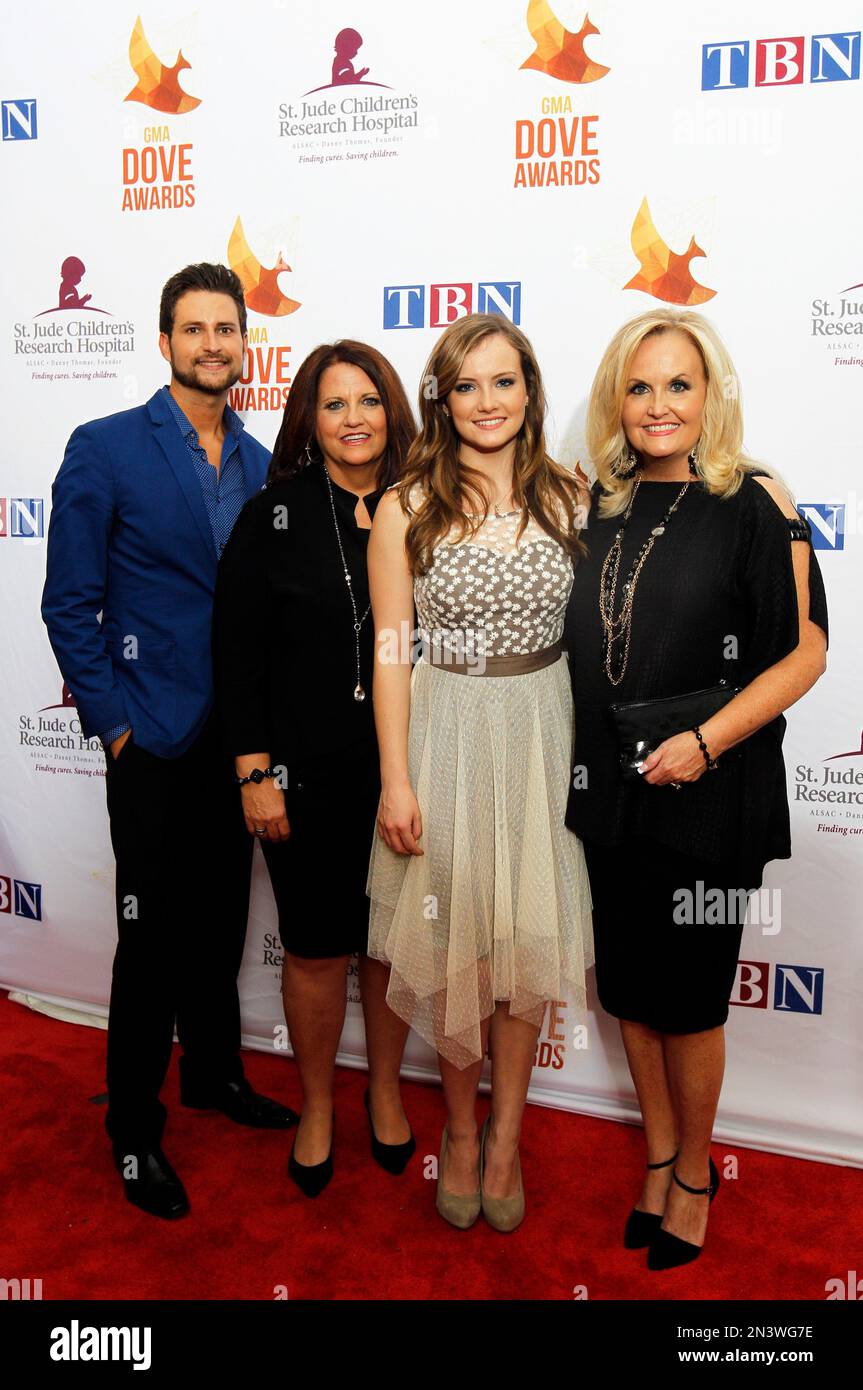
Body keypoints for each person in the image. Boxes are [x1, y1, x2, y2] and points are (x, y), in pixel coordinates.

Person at [564, 308, 828, 1269]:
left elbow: (804, 653)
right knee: (629, 994)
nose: (658, 404)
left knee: (691, 1001)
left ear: (710, 393)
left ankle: (695, 1173)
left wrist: (704, 743)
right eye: (639, 386)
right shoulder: (599, 500)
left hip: (706, 794)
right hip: (611, 787)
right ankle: (658, 1152)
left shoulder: (754, 502)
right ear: (615, 401)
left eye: (679, 384)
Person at [41, 263, 298, 1222]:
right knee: (149, 943)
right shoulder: (105, 447)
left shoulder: (262, 458)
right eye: (194, 330)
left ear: (244, 343)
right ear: (164, 342)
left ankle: (215, 1078)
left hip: (236, 743)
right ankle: (134, 1133)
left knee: (223, 923)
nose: (212, 346)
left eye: (227, 330)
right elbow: (68, 604)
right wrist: (114, 727)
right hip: (150, 739)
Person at [365, 313, 594, 1232]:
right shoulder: (406, 507)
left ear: (530, 390)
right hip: (446, 733)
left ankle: (507, 1138)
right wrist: (395, 778)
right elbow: (389, 649)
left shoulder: (572, 498)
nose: (486, 402)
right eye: (466, 385)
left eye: (504, 382)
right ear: (442, 398)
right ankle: (458, 1133)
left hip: (543, 731)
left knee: (521, 954)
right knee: (460, 950)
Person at [213, 341, 417, 1197]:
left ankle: (382, 1090)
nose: (354, 419)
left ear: (393, 410)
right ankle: (317, 1104)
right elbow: (237, 651)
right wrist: (254, 772)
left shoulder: (428, 509)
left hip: (408, 765)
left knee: (388, 947)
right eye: (333, 405)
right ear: (309, 419)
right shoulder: (276, 516)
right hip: (305, 773)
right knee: (315, 947)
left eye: (367, 400)